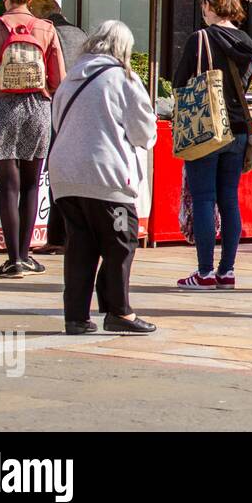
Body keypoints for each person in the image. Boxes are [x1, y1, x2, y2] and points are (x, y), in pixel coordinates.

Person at [49, 21, 158, 335]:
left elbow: (58, 120)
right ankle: (119, 312)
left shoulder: (71, 76)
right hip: (107, 176)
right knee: (120, 242)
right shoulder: (123, 78)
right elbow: (143, 131)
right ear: (123, 48)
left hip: (65, 175)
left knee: (80, 245)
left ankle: (76, 317)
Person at [0, 0, 67, 278]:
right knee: (31, 184)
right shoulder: (46, 28)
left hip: (1, 108)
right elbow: (58, 80)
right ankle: (26, 255)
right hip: (37, 109)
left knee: (8, 187)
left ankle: (12, 258)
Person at [172, 0, 252, 290]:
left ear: (211, 5)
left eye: (203, 4)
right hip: (237, 129)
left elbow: (179, 81)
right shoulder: (247, 41)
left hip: (207, 127)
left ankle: (205, 272)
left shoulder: (201, 39)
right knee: (229, 198)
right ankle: (227, 270)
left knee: (205, 198)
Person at [29, 0, 88, 257]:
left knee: (56, 172)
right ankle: (68, 235)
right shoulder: (80, 32)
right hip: (80, 110)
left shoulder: (47, 32)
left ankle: (56, 236)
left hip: (54, 107)